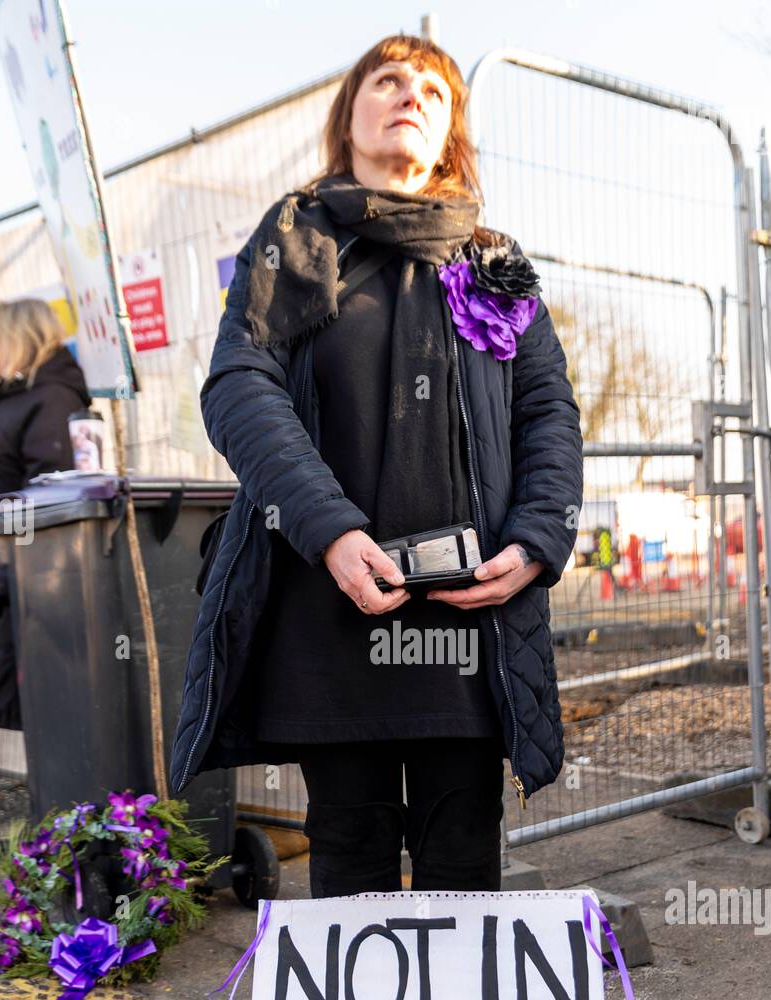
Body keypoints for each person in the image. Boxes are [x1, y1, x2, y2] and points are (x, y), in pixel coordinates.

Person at [169, 33, 583, 898]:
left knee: (465, 861)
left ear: (448, 134)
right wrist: (328, 530)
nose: (409, 96)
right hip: (329, 617)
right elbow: (237, 384)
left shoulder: (493, 263)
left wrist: (539, 538)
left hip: (466, 623)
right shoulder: (295, 238)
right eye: (387, 81)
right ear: (348, 114)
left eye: (432, 91)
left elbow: (547, 412)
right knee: (349, 858)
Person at [0, 299, 92, 727]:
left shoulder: (50, 400)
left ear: (17, 336)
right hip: (2, 571)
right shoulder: (11, 398)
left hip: (20, 575)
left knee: (14, 696)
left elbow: (50, 496)